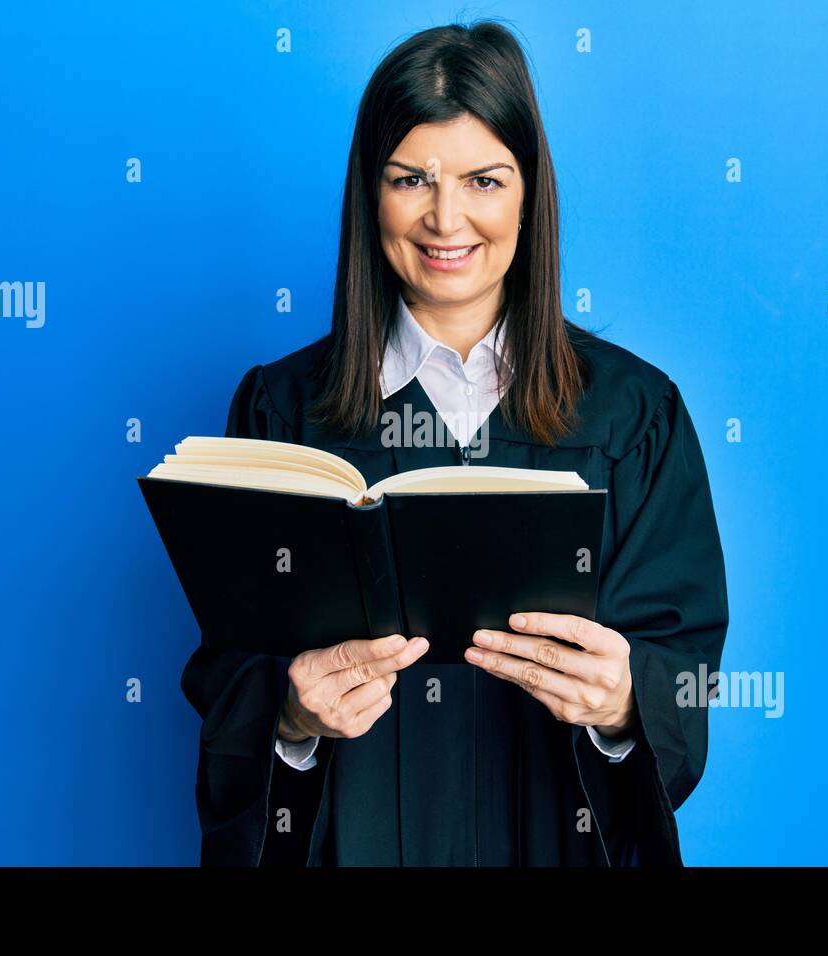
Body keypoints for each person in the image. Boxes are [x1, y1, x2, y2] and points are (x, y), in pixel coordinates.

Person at [180, 19, 728, 866]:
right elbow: (227, 671)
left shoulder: (633, 414)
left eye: (484, 179)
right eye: (411, 179)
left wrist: (625, 705)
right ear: (371, 194)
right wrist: (290, 718)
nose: (447, 218)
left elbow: (682, 664)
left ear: (529, 192)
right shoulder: (282, 411)